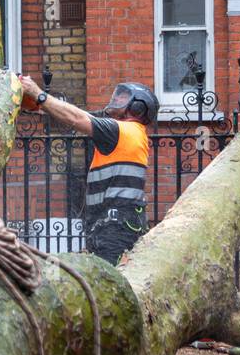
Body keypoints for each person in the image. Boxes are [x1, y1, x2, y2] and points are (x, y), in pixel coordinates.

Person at [18, 75, 158, 263]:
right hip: (109, 226)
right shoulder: (120, 132)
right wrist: (39, 105)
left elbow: (77, 118)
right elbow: (75, 115)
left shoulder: (125, 130)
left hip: (116, 228)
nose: (116, 100)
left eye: (123, 98)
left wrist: (39, 95)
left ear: (139, 107)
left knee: (110, 285)